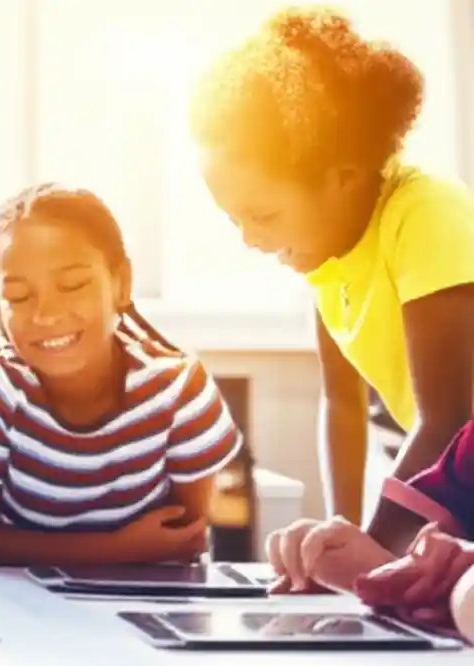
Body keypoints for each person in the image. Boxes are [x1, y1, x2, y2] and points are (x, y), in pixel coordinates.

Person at [190, 7, 474, 590]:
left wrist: (369, 549)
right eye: (233, 219)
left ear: (343, 177)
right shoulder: (327, 251)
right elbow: (342, 403)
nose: (249, 237)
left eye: (262, 214)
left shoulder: (427, 215)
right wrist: (339, 529)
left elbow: (448, 414)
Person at [0, 183, 243, 566]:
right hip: (23, 608)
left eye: (72, 285)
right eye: (17, 296)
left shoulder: (180, 390)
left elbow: (183, 542)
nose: (45, 314)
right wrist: (120, 548)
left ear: (121, 283)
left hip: (149, 607)